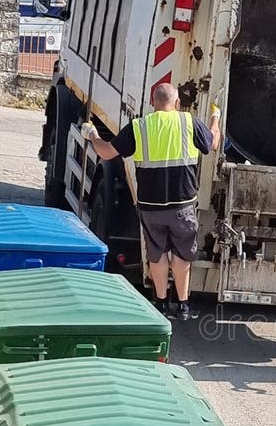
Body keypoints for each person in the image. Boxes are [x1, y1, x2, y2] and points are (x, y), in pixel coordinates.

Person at [82, 83, 220, 320]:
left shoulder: (139, 126)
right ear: (177, 103)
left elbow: (106, 152)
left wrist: (92, 134)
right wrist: (215, 118)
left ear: (152, 102)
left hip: (150, 206)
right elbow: (213, 143)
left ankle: (161, 303)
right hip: (182, 205)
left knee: (157, 254)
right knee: (182, 254)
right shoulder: (189, 122)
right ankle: (183, 305)